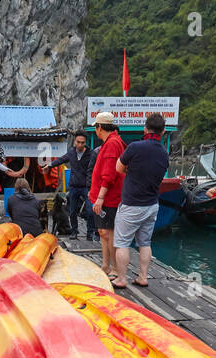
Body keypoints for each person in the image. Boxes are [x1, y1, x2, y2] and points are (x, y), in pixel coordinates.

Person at [111, 113, 169, 289]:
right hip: (152, 205)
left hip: (131, 204)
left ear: (145, 128)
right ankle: (143, 276)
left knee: (122, 243)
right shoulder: (164, 153)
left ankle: (121, 278)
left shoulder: (135, 147)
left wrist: (131, 171)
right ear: (163, 131)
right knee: (145, 243)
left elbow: (118, 168)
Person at [88, 111, 126, 278]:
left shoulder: (112, 144)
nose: (95, 131)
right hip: (104, 197)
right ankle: (105, 265)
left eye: (96, 127)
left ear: (100, 127)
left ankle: (116, 269)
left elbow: (109, 174)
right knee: (103, 232)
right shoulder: (110, 142)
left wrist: (100, 197)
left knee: (108, 233)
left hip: (109, 198)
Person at [48, 132, 96, 238]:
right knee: (72, 211)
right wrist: (50, 165)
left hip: (86, 187)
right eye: (78, 142)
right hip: (74, 186)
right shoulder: (71, 152)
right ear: (75, 141)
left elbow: (97, 168)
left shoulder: (91, 154)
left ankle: (90, 232)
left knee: (89, 210)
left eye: (82, 143)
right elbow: (61, 159)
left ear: (85, 143)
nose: (79, 145)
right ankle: (74, 232)